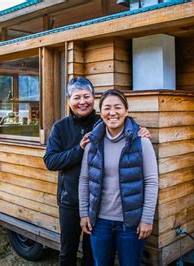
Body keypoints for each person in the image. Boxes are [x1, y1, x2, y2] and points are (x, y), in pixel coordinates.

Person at [43, 78, 150, 266]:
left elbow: (121, 121)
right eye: (77, 97)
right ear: (69, 100)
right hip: (70, 201)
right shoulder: (60, 127)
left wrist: (140, 130)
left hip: (98, 204)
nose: (82, 101)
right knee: (67, 251)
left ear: (94, 98)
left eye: (87, 96)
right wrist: (79, 149)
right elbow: (50, 161)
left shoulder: (101, 122)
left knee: (91, 254)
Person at [78, 89, 159, 266]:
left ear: (126, 111)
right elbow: (84, 179)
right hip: (99, 223)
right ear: (101, 113)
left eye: (118, 107)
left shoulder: (141, 142)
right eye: (107, 108)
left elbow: (151, 182)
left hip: (130, 224)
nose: (112, 112)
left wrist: (146, 218)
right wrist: (84, 213)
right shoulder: (93, 143)